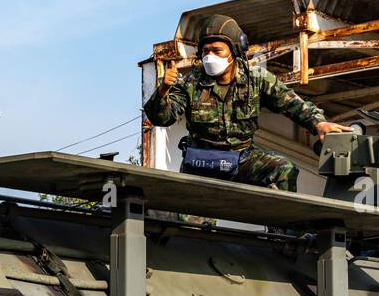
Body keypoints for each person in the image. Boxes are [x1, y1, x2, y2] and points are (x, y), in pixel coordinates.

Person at [144, 15, 350, 191]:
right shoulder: (191, 81)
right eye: (205, 51)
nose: (209, 56)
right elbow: (162, 118)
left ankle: (281, 235)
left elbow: (290, 103)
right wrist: (163, 91)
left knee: (284, 169)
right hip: (202, 164)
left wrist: (318, 123)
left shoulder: (256, 78)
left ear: (234, 52)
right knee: (194, 227)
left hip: (241, 159)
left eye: (217, 51)